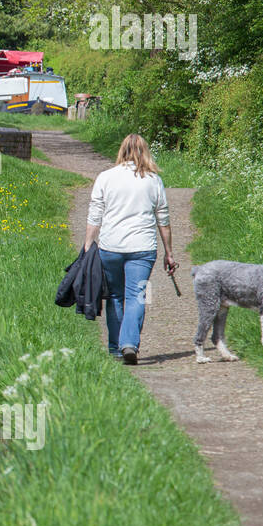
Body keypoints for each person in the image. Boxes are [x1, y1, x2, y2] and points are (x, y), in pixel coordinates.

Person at [82, 134, 175, 364]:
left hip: (110, 247)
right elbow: (163, 219)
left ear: (121, 150)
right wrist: (169, 253)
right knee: (137, 295)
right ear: (145, 152)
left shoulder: (105, 177)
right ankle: (129, 344)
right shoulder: (153, 180)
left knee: (114, 296)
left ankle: (116, 347)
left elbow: (95, 214)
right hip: (143, 249)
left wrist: (87, 245)